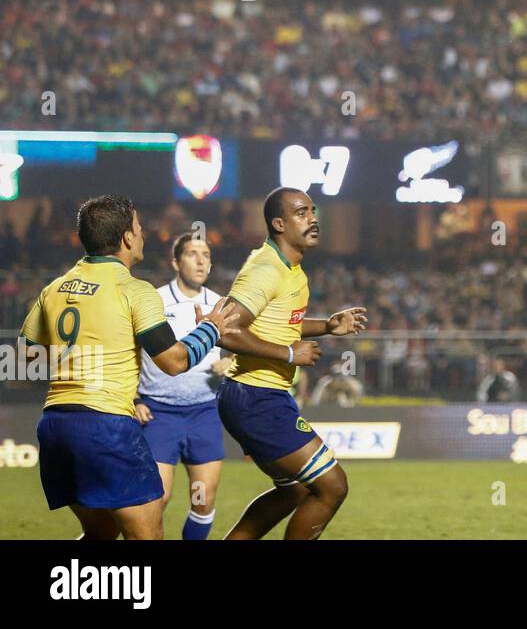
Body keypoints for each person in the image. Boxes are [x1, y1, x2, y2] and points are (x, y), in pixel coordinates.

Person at [20, 195, 237, 539]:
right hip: (106, 425)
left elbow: (27, 357)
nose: (144, 235)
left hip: (56, 426)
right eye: (139, 228)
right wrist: (211, 328)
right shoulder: (136, 291)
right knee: (146, 535)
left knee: (100, 532)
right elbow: (175, 361)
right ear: (126, 238)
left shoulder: (54, 288)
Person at [214, 187, 367, 540]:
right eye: (301, 212)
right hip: (255, 397)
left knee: (295, 489)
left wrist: (326, 326)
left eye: (313, 210)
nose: (312, 218)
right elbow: (225, 330)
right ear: (279, 223)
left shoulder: (291, 268)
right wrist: (288, 353)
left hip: (260, 396)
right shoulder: (266, 270)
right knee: (332, 486)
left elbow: (281, 324)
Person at [135, 231, 230, 539]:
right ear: (175, 261)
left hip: (204, 413)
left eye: (207, 256)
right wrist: (133, 399)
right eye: (192, 254)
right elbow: (130, 353)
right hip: (158, 413)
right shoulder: (154, 300)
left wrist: (233, 363)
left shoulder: (220, 305)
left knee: (202, 501)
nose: (201, 261)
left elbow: (242, 352)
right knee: (156, 501)